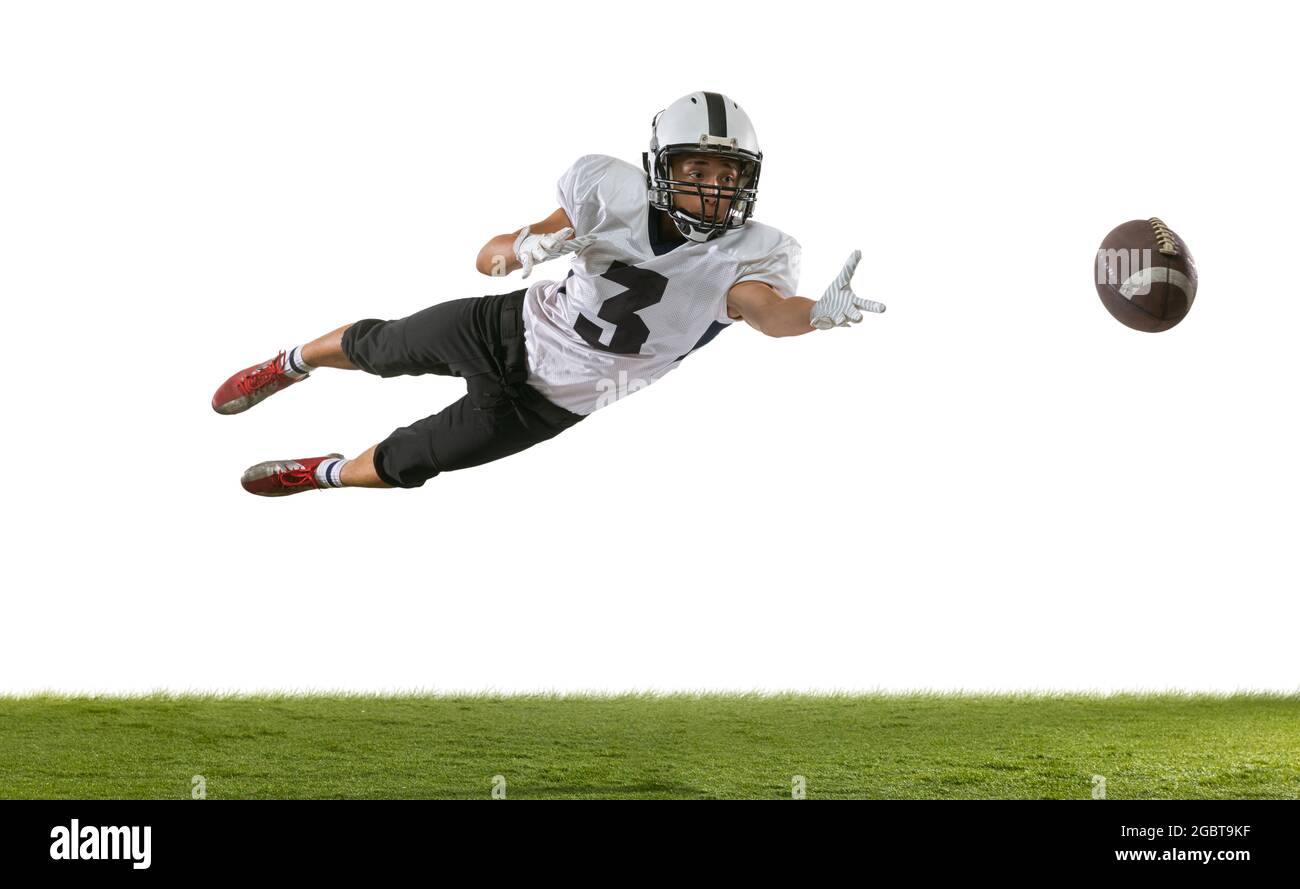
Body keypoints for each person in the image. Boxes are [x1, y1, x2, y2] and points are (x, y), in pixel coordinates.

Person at [211, 90, 885, 496]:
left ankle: (322, 472)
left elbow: (771, 314)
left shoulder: (754, 253)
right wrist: (523, 248)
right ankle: (290, 363)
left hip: (546, 403)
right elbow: (488, 255)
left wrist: (818, 317)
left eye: (726, 172)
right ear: (659, 168)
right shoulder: (606, 190)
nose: (713, 186)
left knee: (404, 461)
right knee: (379, 344)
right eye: (695, 168)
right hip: (506, 323)